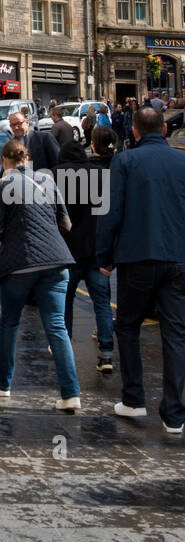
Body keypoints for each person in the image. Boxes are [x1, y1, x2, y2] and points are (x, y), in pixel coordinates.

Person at [96, 105, 185, 433]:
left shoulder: (125, 161)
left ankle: (134, 400)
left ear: (133, 131)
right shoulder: (182, 161)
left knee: (128, 325)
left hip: (136, 259)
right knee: (176, 333)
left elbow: (111, 212)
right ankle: (174, 415)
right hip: (178, 259)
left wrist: (104, 258)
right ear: (163, 130)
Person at [0, 140, 81, 410]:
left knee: (10, 323)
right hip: (56, 260)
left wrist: (15, 236)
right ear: (26, 158)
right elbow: (66, 222)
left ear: (5, 160)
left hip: (19, 264)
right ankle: (71, 393)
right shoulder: (47, 180)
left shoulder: (3, 185)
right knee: (57, 327)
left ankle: (3, 384)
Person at [57, 135, 115, 373]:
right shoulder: (101, 175)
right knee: (101, 303)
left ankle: (65, 344)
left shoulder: (55, 176)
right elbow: (110, 215)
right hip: (96, 252)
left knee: (65, 301)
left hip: (67, 252)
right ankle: (107, 354)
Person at [7, 110, 59, 175]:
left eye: (19, 123)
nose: (16, 127)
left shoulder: (44, 138)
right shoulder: (11, 145)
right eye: (12, 125)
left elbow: (57, 163)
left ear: (27, 122)